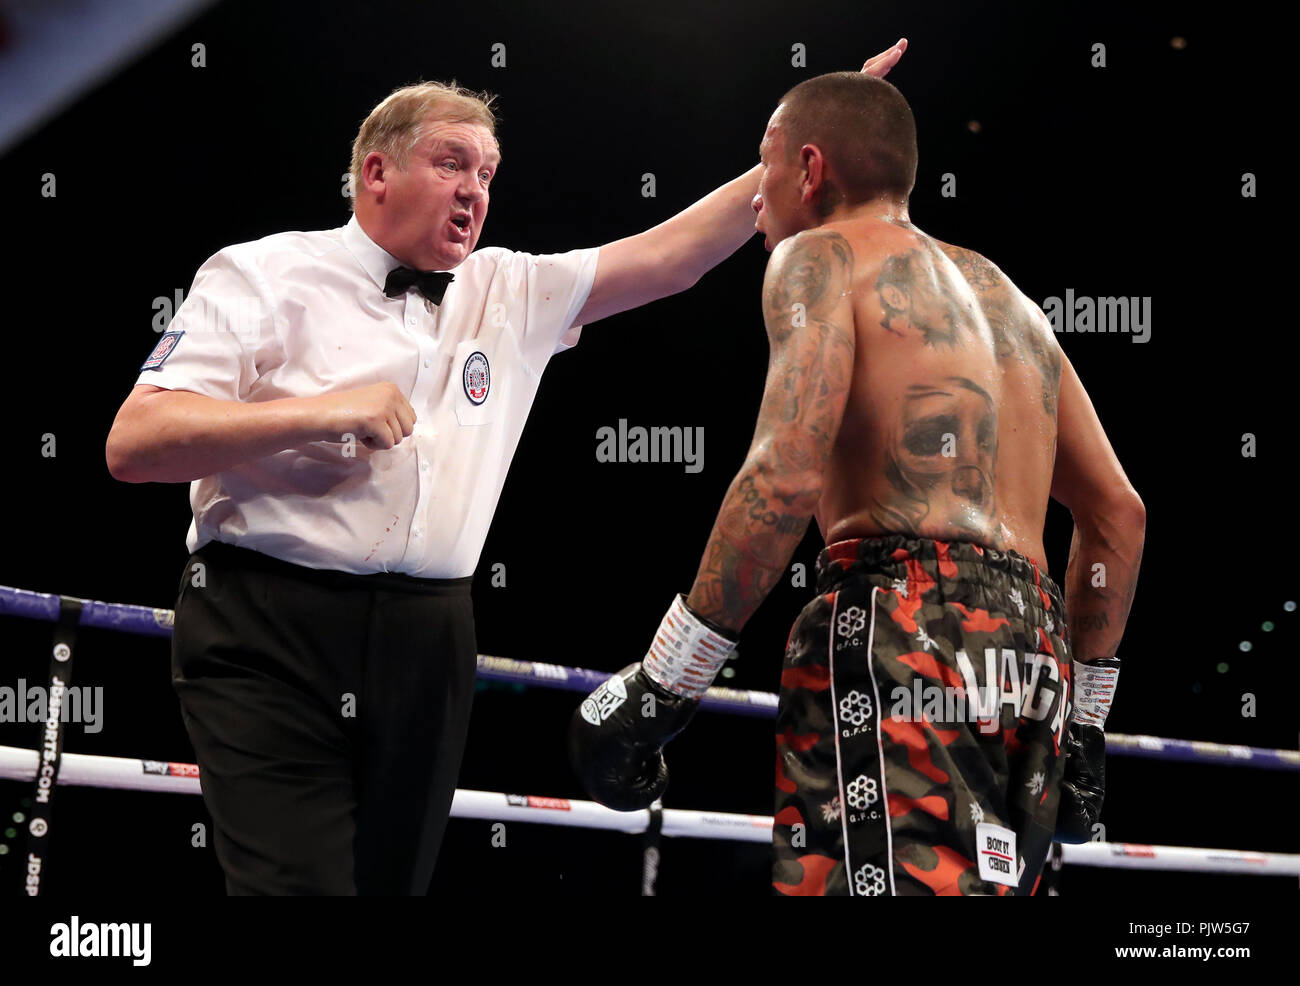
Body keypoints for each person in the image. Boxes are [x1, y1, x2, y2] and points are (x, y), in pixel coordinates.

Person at [104, 45, 908, 896]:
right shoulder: (259, 272)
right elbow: (136, 441)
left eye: (486, 174)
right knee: (293, 884)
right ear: (374, 172)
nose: (474, 191)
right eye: (451, 164)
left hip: (429, 636)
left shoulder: (509, 290)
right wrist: (318, 411)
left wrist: (794, 153)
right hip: (264, 625)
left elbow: (675, 254)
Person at [569, 71, 1145, 896]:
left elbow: (785, 470)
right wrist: (1085, 725)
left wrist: (666, 683)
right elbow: (1117, 512)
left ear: (809, 169)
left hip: (904, 624)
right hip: (1032, 654)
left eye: (763, 171)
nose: (756, 203)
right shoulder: (1013, 302)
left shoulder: (818, 257)